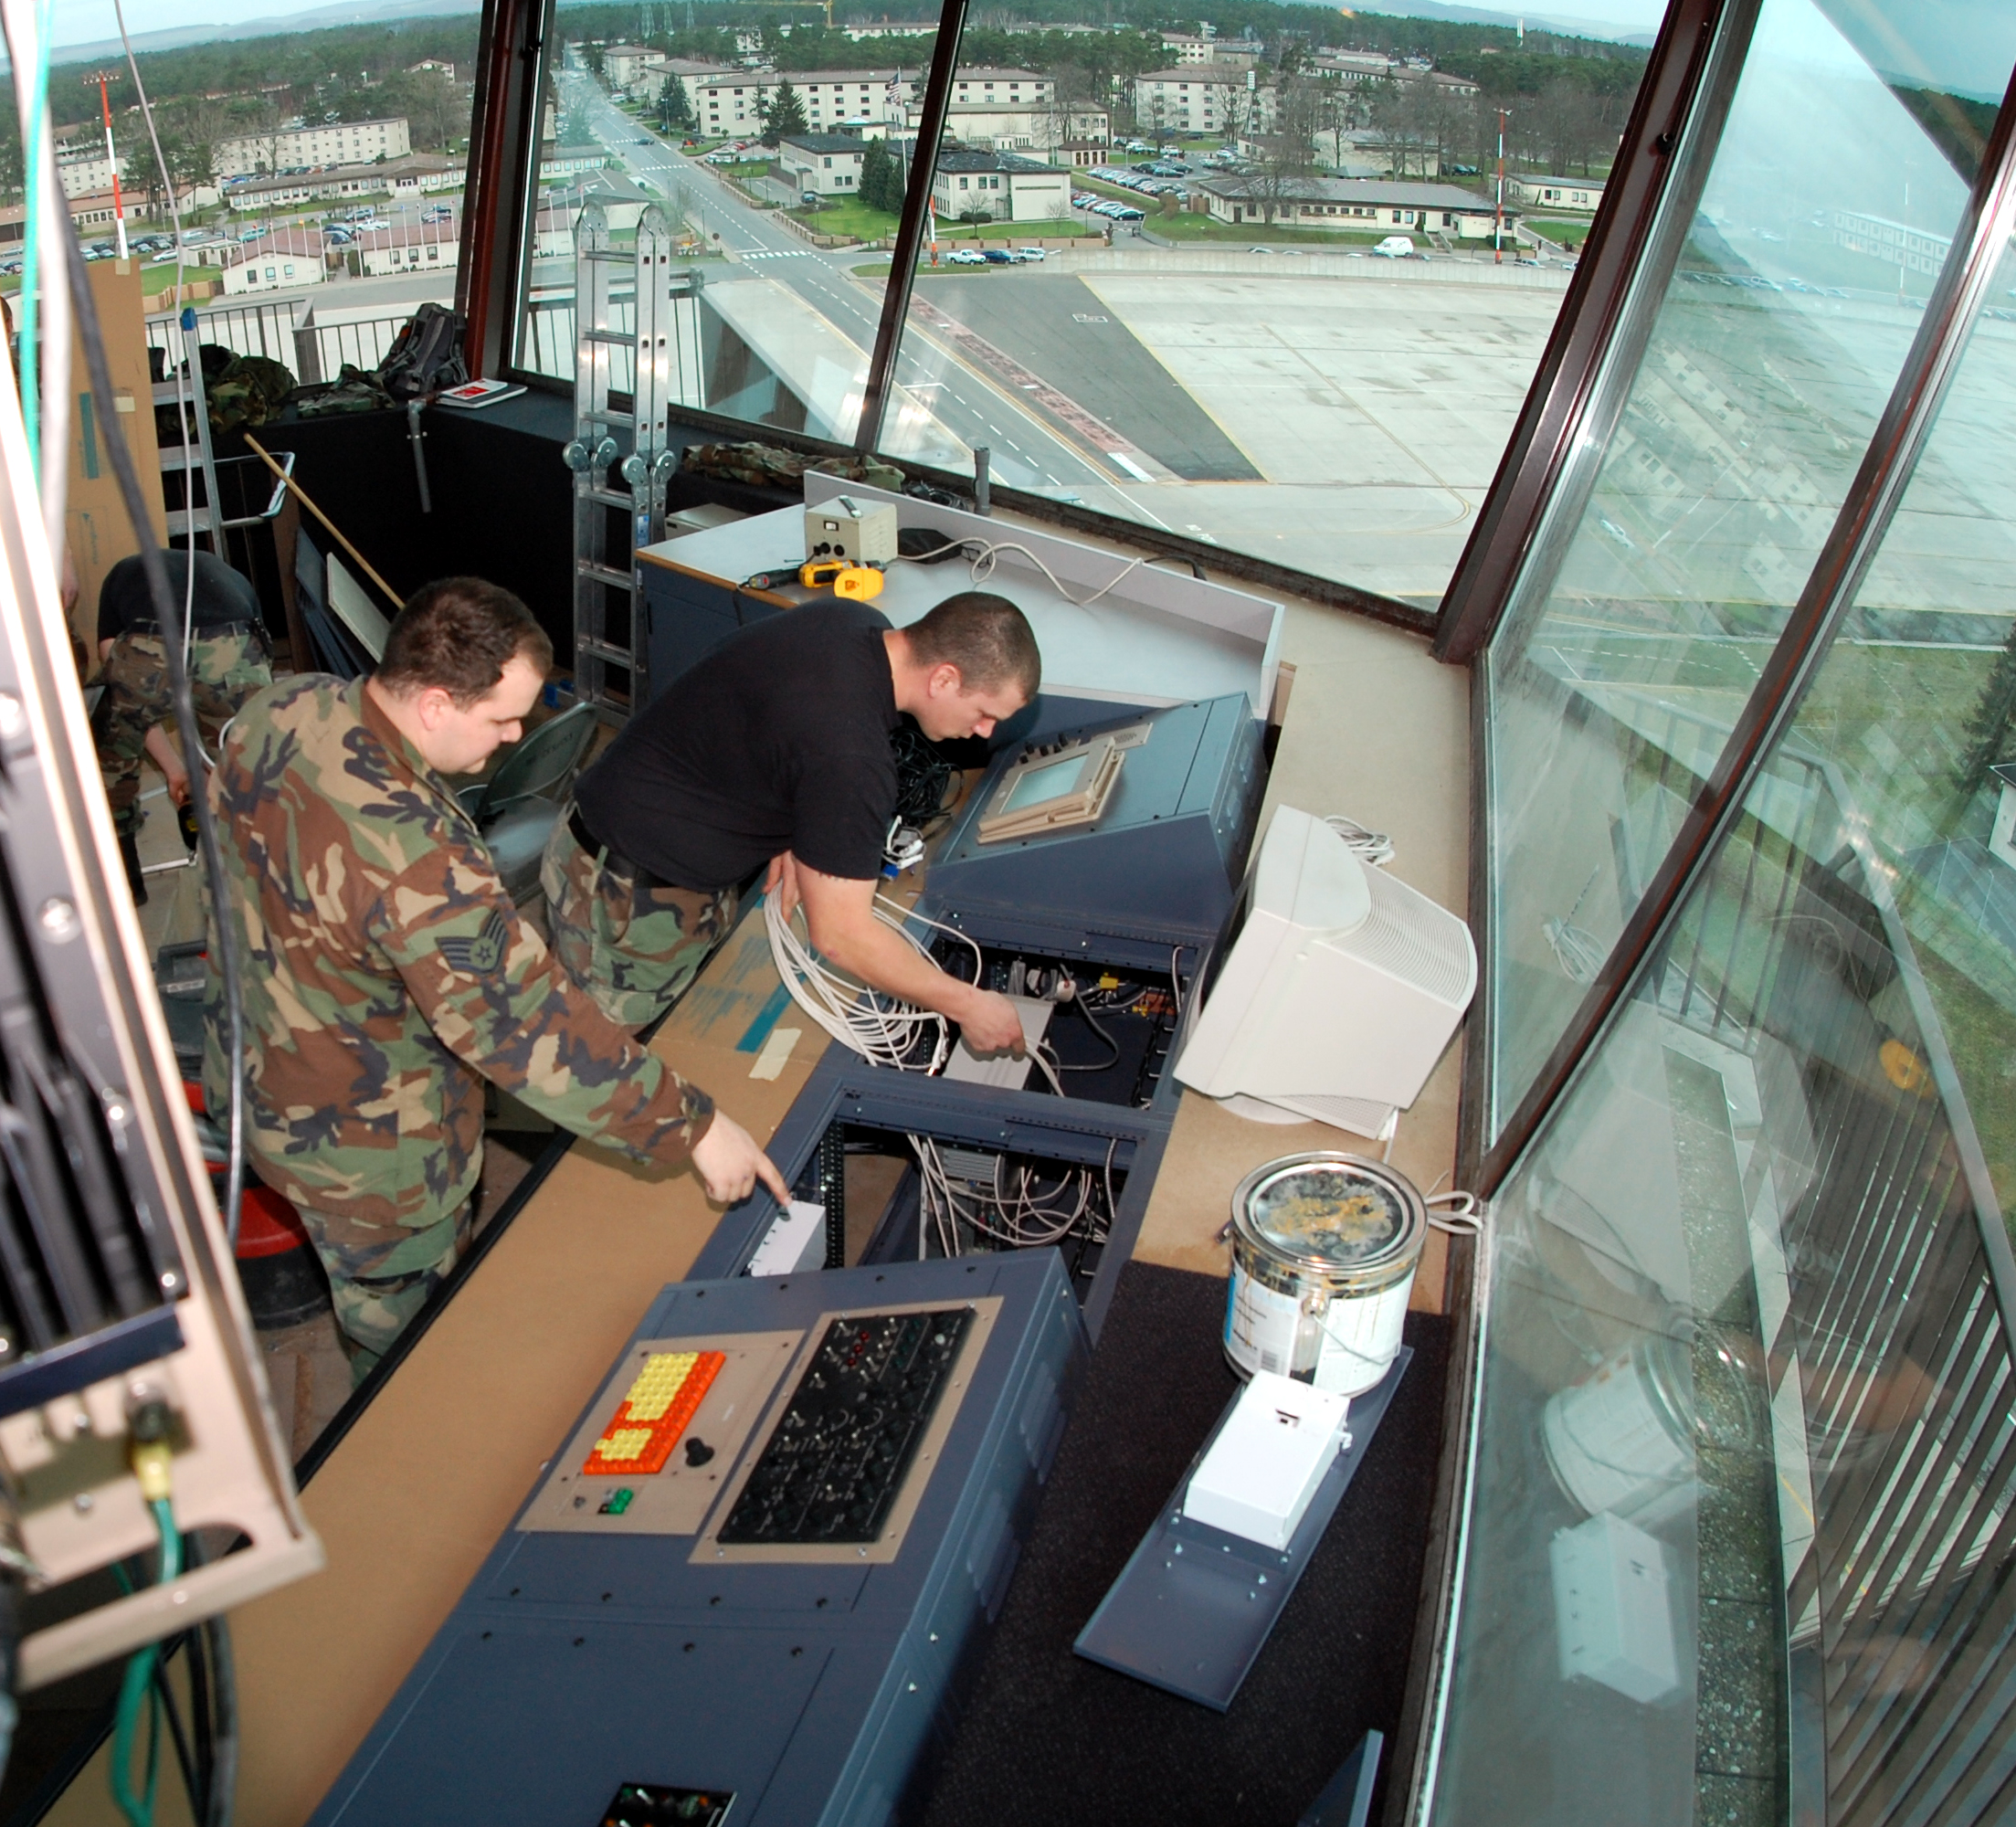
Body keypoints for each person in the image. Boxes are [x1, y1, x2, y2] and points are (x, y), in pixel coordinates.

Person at [204, 577, 786, 1376]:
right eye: (502, 717)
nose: (517, 736)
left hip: (259, 1075)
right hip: (373, 1154)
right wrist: (691, 1125)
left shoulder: (287, 705)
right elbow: (525, 1026)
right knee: (407, 1355)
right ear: (437, 703)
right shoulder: (418, 861)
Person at [544, 591, 1039, 1051]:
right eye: (984, 712)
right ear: (945, 678)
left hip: (618, 829)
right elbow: (841, 937)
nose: (984, 731)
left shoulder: (848, 619)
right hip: (626, 893)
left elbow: (765, 715)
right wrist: (968, 1005)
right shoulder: (852, 759)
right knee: (600, 1058)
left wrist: (795, 825)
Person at [94, 548, 273, 903]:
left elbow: (123, 691)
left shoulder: (121, 574)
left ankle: (128, 883)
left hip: (150, 638)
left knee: (112, 750)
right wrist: (204, 768)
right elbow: (254, 656)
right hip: (233, 639)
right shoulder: (225, 572)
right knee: (252, 756)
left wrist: (174, 769)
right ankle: (268, 878)